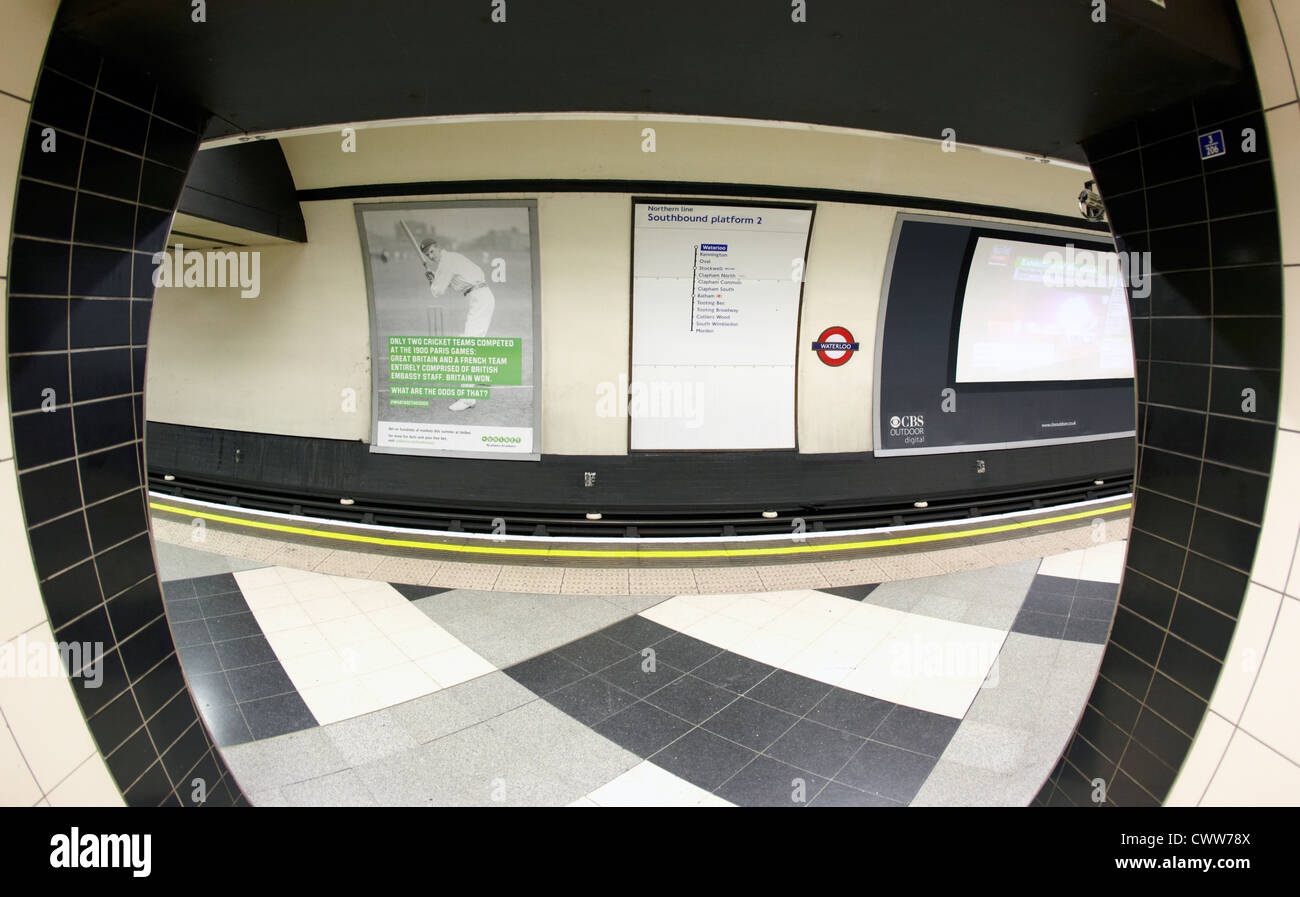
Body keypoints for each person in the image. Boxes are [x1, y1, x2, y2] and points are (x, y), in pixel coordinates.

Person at [420, 238, 496, 412]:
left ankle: (467, 399)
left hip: (480, 299)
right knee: (472, 343)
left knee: (466, 347)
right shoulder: (452, 258)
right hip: (480, 297)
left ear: (438, 248)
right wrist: (436, 278)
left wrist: (432, 281)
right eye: (427, 254)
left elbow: (437, 291)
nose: (431, 256)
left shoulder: (447, 263)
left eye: (432, 251)